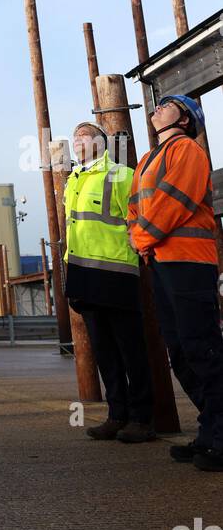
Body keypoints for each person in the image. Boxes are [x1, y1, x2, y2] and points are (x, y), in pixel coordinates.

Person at [128, 94, 223, 470]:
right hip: (162, 260)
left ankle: (220, 437)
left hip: (188, 262)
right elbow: (135, 207)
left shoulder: (187, 150)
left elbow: (174, 201)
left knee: (203, 348)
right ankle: (211, 430)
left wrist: (142, 239)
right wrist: (142, 238)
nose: (156, 109)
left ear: (184, 119)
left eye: (165, 105)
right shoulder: (149, 159)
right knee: (181, 351)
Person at [63, 121, 155, 442]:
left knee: (131, 349)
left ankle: (143, 418)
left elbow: (139, 221)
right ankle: (118, 415)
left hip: (116, 275)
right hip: (83, 276)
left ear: (102, 144)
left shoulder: (121, 176)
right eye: (75, 136)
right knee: (104, 351)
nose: (77, 140)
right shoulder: (73, 180)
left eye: (85, 135)